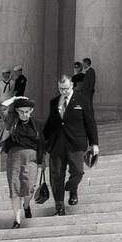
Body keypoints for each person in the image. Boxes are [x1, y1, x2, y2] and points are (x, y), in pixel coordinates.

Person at [42, 74, 99, 216]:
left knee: (78, 171)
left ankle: (72, 188)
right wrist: (42, 141)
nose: (64, 92)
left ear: (72, 85)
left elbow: (90, 122)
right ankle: (59, 206)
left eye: (66, 88)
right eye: (61, 89)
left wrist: (94, 143)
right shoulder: (54, 102)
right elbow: (51, 123)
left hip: (76, 142)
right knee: (56, 175)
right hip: (57, 143)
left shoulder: (82, 99)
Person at [0, 96, 45, 229]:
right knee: (15, 189)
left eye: (27, 111)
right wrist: (15, 98)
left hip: (32, 159)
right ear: (17, 112)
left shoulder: (37, 124)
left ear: (31, 111)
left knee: (29, 187)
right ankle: (17, 219)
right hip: (14, 158)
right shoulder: (12, 122)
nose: (24, 114)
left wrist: (42, 162)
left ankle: (26, 205)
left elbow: (42, 143)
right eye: (21, 112)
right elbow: (2, 108)